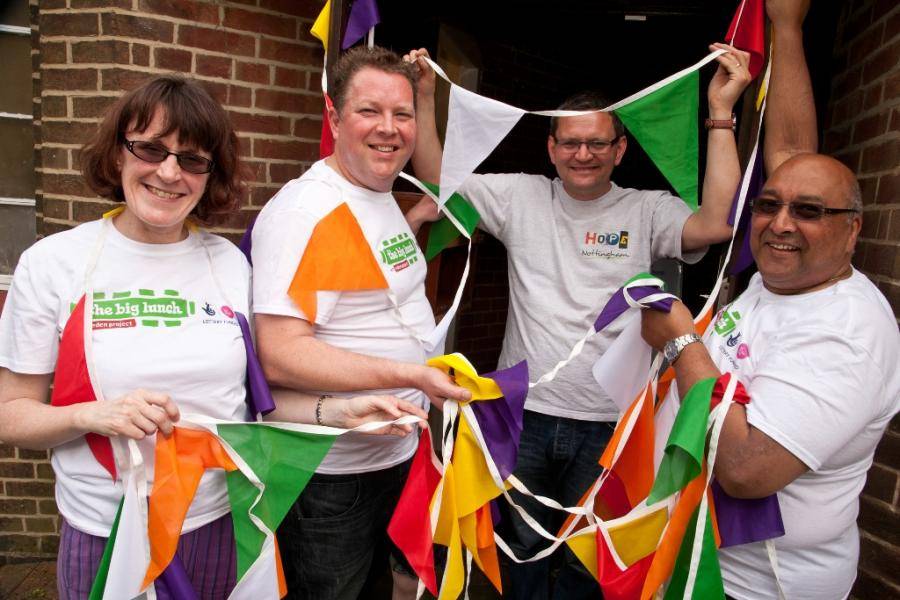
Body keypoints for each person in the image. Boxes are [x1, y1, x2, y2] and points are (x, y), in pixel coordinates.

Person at [0, 74, 423, 600]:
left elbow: (253, 406)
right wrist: (91, 415)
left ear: (210, 174)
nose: (169, 172)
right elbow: (10, 414)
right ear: (117, 154)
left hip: (222, 524)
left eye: (192, 159)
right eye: (150, 149)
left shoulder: (229, 265)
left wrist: (338, 413)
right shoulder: (53, 263)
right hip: (108, 531)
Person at [403, 42, 752, 597]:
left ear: (620, 149)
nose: (582, 153)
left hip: (613, 424)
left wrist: (721, 112)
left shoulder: (647, 208)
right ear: (552, 147)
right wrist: (425, 96)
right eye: (570, 142)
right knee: (519, 550)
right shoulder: (520, 196)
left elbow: (717, 223)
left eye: (597, 143)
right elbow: (436, 178)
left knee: (590, 561)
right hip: (523, 415)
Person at [250, 46, 471, 600]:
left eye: (402, 114)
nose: (388, 129)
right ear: (333, 117)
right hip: (330, 474)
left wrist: (414, 217)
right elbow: (278, 353)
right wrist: (412, 374)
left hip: (395, 454)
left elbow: (366, 282)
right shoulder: (306, 212)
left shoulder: (377, 193)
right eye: (369, 111)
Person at [640, 152, 900, 600]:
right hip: (690, 555)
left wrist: (681, 342)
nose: (780, 224)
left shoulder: (845, 334)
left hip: (753, 585)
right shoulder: (781, 278)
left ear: (852, 229)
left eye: (808, 211)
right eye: (768, 205)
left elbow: (746, 470)